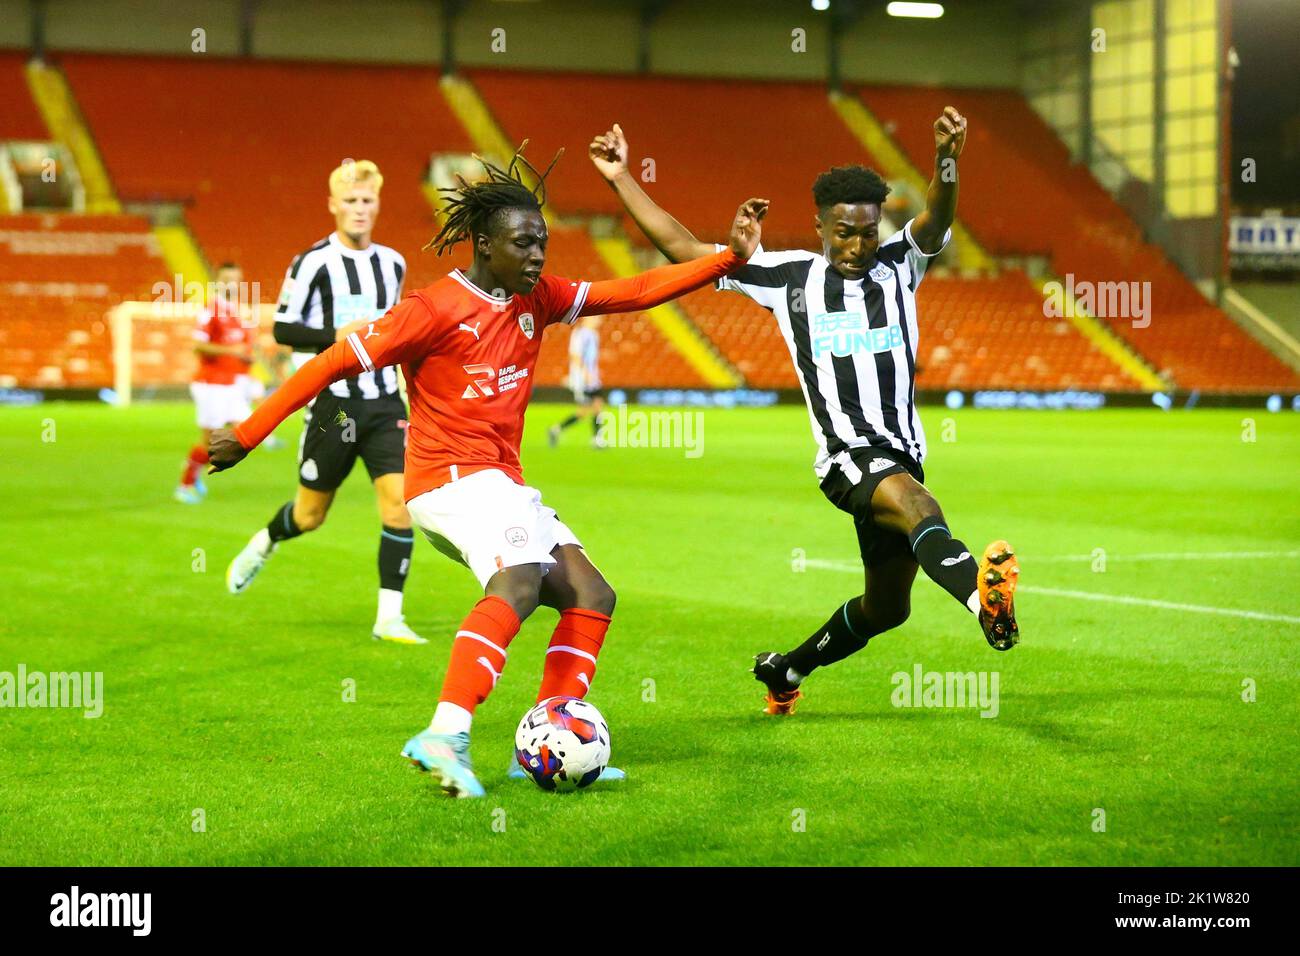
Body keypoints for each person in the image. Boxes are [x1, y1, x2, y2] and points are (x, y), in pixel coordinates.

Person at [207, 146, 766, 796]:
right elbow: (329, 363)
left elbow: (634, 291)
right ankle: (444, 734)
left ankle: (551, 731)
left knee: (592, 595)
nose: (537, 257)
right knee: (520, 581)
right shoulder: (431, 310)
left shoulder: (540, 298)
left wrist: (729, 258)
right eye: (523, 244)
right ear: (482, 243)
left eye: (543, 244)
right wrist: (248, 434)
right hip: (447, 481)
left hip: (500, 484)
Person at [588, 111, 1020, 717]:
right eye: (843, 232)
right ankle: (985, 603)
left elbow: (938, 216)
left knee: (888, 608)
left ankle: (786, 669)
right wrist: (621, 179)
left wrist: (947, 158)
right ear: (820, 227)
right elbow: (683, 248)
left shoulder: (900, 264)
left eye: (867, 232)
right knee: (923, 508)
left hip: (901, 458)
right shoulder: (788, 277)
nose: (856, 245)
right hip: (846, 460)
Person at [223, 160, 425, 646]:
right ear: (333, 205)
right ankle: (265, 541)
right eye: (350, 201)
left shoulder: (393, 263)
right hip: (333, 405)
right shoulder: (312, 262)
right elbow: (284, 330)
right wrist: (335, 336)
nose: (359, 210)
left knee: (400, 504)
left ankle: (389, 617)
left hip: (383, 404)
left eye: (367, 201)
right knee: (310, 515)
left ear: (377, 206)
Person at [176, 262, 253, 504]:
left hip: (232, 385)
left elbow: (243, 348)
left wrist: (246, 358)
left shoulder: (238, 311)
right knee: (212, 443)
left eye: (236, 278)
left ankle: (195, 466)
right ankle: (186, 483)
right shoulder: (211, 309)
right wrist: (233, 351)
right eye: (227, 278)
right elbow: (198, 345)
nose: (232, 283)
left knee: (243, 435)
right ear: (218, 281)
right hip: (212, 384)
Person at [548, 315, 607, 448]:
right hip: (584, 379)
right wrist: (585, 373)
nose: (599, 320)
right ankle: (557, 429)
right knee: (587, 410)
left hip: (592, 378)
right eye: (596, 318)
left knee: (594, 407)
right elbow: (575, 355)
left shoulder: (593, 335)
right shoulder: (581, 334)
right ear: (587, 319)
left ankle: (597, 439)